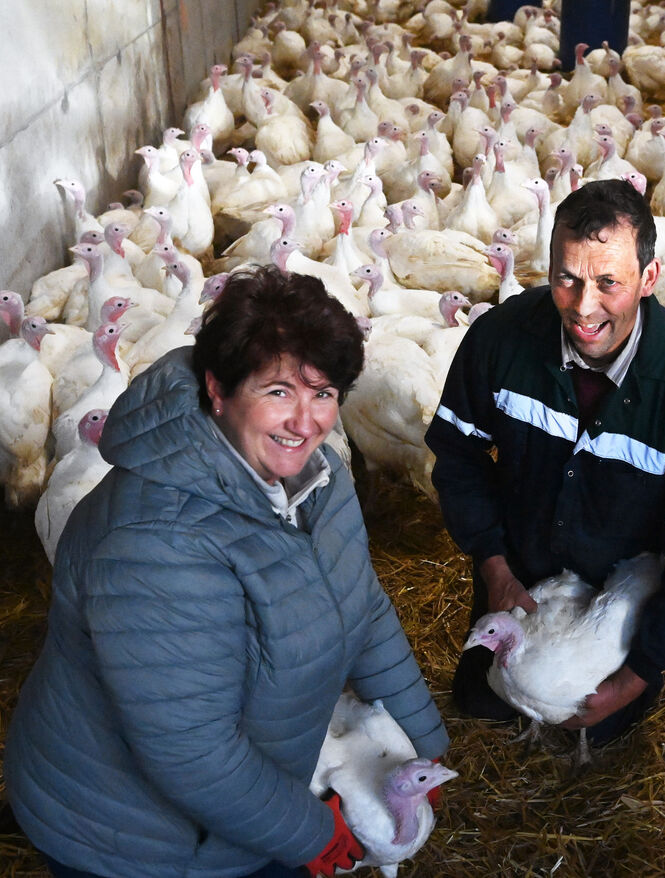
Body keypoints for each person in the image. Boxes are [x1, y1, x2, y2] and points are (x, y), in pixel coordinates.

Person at [6, 265, 448, 878]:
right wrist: (310, 833)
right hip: (134, 836)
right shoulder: (156, 542)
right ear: (218, 389)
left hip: (236, 802)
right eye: (278, 391)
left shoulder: (319, 478)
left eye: (323, 394)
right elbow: (191, 749)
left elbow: (364, 609)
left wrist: (423, 747)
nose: (306, 420)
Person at [425, 178, 665, 745]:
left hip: (614, 606)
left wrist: (638, 673)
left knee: (596, 726)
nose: (583, 306)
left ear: (649, 279)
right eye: (566, 279)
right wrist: (493, 562)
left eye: (608, 283)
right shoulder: (501, 338)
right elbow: (456, 451)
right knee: (480, 707)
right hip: (517, 579)